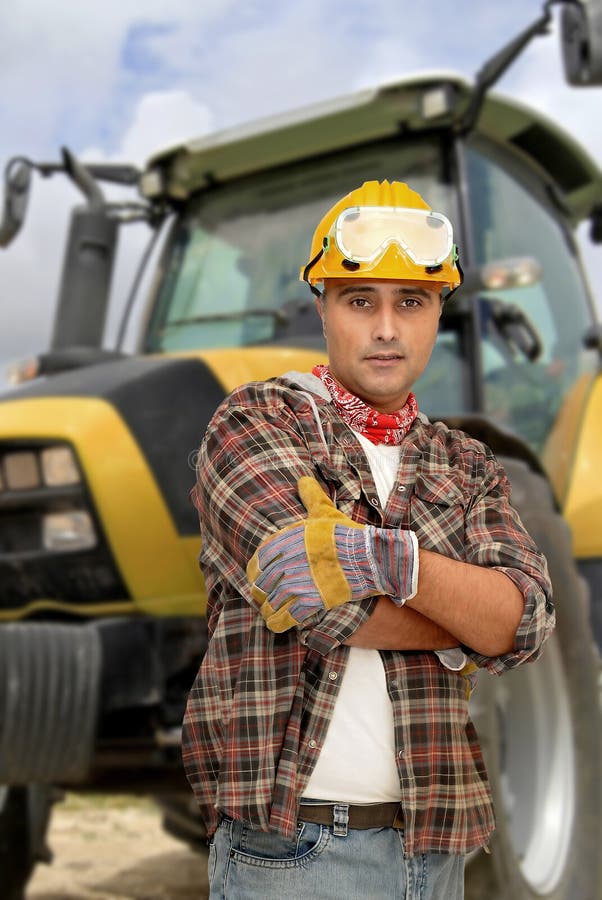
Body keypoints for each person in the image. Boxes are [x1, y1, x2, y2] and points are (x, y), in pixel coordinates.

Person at [182, 180, 554, 900]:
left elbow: (528, 620)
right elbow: (307, 598)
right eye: (361, 302)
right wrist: (464, 623)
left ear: (436, 313)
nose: (386, 328)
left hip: (433, 854)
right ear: (322, 307)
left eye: (409, 302)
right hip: (292, 856)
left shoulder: (466, 464)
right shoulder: (256, 424)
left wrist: (393, 562)